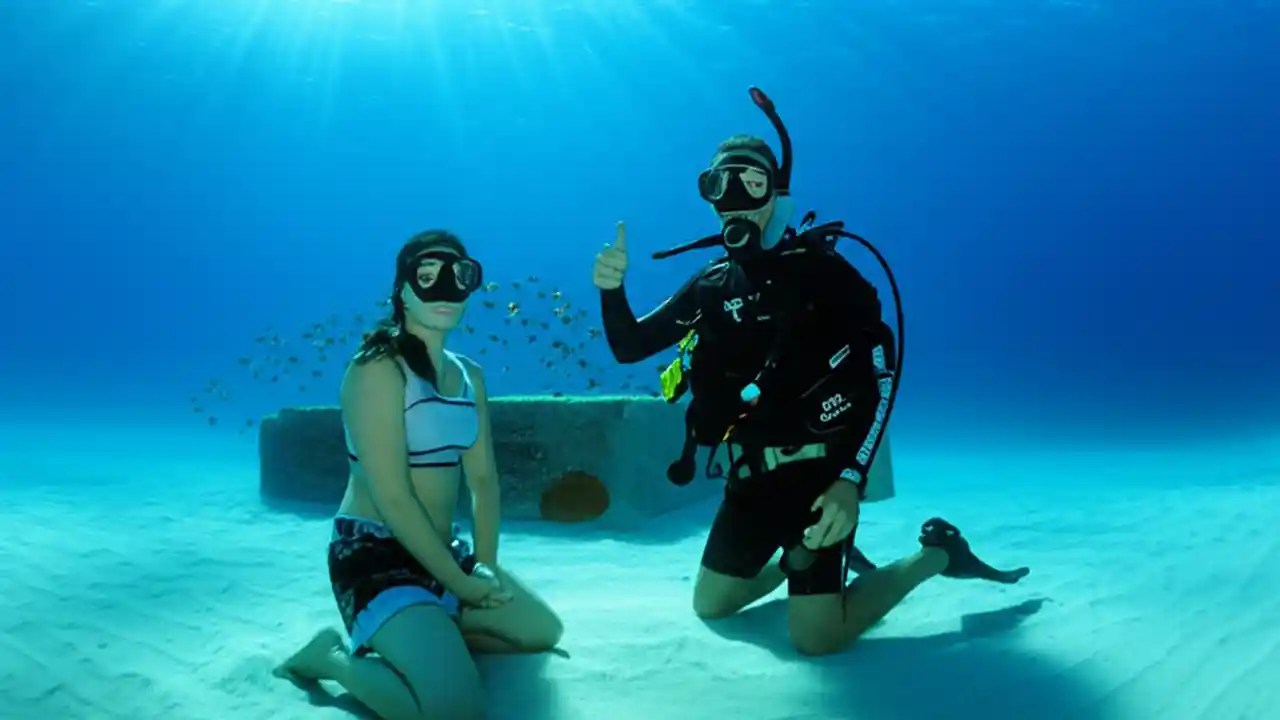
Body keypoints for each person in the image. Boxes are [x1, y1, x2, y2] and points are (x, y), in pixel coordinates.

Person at [592, 87, 1028, 657]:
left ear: (778, 193)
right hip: (750, 483)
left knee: (816, 640)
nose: (736, 200)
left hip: (822, 478)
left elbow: (881, 378)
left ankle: (937, 555)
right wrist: (611, 288)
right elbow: (631, 345)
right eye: (719, 186)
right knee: (711, 605)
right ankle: (801, 560)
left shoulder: (825, 274)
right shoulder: (712, 285)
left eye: (752, 184)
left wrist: (850, 483)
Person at [275, 230, 563, 719]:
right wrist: (464, 584)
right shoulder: (376, 371)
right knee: (456, 711)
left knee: (542, 632)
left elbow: (483, 483)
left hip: (443, 552)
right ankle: (332, 658)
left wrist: (485, 567)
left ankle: (433, 631)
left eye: (459, 278)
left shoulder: (470, 375)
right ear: (402, 291)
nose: (444, 291)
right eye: (426, 278)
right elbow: (392, 495)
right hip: (375, 556)